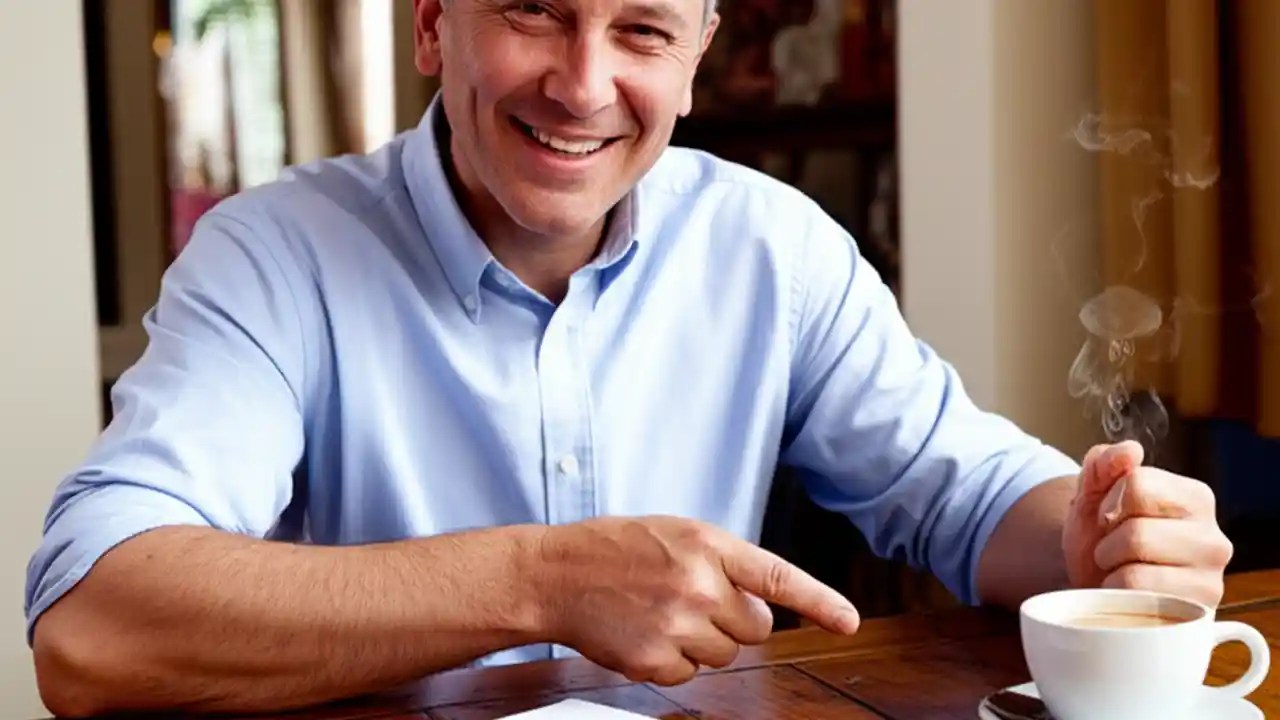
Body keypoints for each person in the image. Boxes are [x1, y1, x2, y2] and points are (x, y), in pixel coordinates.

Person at [26, 0, 1233, 716]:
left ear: (696, 59)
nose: (583, 82)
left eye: (641, 29)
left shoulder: (772, 247)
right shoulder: (270, 255)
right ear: (435, 23)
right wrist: (539, 582)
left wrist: (1083, 540)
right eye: (536, 10)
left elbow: (965, 499)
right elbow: (91, 632)